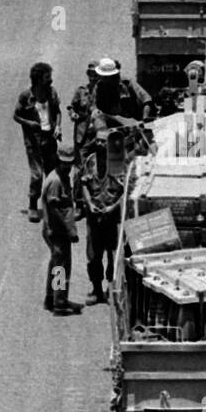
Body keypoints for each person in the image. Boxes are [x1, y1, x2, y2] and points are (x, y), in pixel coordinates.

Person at [75, 128, 124, 305]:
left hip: (112, 219)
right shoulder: (90, 162)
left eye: (104, 141)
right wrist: (88, 204)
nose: (100, 144)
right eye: (98, 140)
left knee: (113, 255)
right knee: (93, 255)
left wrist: (112, 207)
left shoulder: (119, 164)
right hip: (94, 219)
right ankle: (96, 290)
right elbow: (84, 185)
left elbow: (125, 192)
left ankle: (111, 289)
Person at [14, 62, 62, 222]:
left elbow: (58, 112)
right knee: (36, 175)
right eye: (47, 78)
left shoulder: (52, 93)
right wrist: (30, 124)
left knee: (51, 172)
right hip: (34, 141)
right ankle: (33, 205)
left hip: (49, 138)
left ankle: (51, 204)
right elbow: (16, 116)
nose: (51, 81)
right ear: (38, 80)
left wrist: (59, 127)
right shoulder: (26, 97)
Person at [41, 140, 81, 315]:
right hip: (57, 230)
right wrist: (70, 230)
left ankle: (51, 298)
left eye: (69, 164)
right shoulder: (56, 181)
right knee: (61, 267)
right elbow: (56, 210)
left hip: (57, 229)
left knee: (56, 264)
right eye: (65, 164)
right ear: (59, 161)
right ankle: (59, 302)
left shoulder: (60, 177)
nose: (68, 167)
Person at [92, 56, 153, 124]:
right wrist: (119, 119)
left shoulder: (127, 82)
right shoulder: (98, 88)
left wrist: (145, 117)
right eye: (105, 77)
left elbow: (146, 99)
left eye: (113, 77)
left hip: (135, 120)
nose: (109, 80)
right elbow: (96, 110)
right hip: (112, 122)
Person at [67, 61, 98, 156]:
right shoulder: (81, 90)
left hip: (97, 131)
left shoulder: (103, 90)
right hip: (82, 131)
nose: (92, 78)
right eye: (90, 74)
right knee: (80, 158)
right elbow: (71, 107)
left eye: (95, 75)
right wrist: (72, 114)